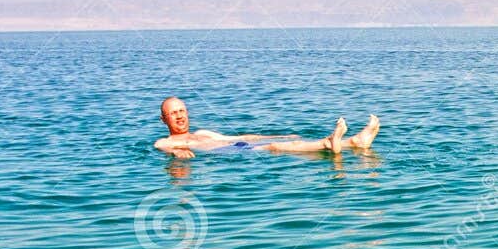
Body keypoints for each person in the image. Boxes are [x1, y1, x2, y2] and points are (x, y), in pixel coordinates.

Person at [154, 97, 379, 159]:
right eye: (173, 113)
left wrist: (278, 134)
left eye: (182, 111)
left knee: (275, 142)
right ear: (164, 119)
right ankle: (328, 142)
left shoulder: (202, 133)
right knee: (274, 147)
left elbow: (241, 136)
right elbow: (165, 148)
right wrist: (177, 151)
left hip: (235, 145)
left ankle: (355, 142)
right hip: (229, 154)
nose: (180, 116)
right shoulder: (166, 142)